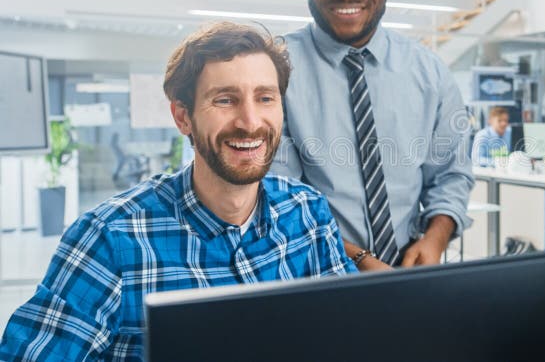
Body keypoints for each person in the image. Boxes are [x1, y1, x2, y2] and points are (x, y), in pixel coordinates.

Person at [0, 22, 356, 361]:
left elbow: (351, 333)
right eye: (225, 100)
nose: (250, 121)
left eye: (265, 98)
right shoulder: (110, 239)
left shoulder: (307, 212)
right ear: (182, 117)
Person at [272, 0, 474, 271]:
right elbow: (279, 197)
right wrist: (359, 260)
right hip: (312, 273)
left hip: (409, 274)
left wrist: (435, 237)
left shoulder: (429, 72)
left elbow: (451, 174)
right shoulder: (274, 70)